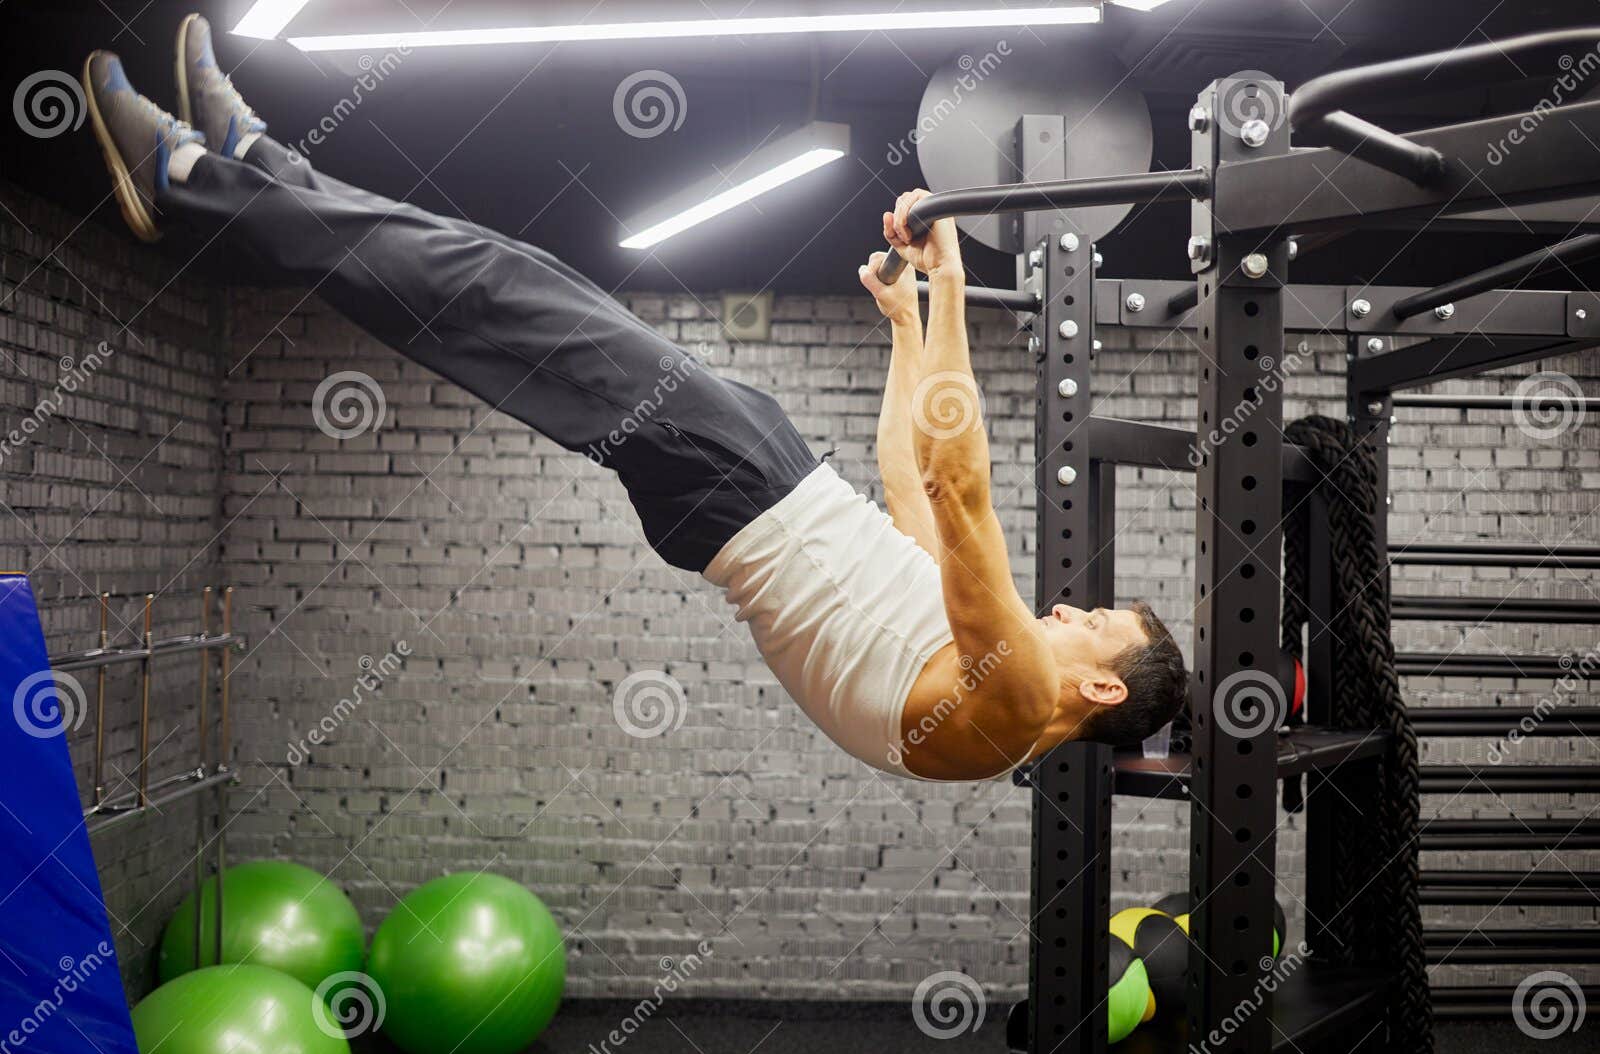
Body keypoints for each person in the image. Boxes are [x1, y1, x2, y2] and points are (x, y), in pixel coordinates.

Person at [80, 15, 1187, 783]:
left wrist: (948, 283)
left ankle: (196, 182)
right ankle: (252, 165)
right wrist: (906, 332)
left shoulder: (999, 707)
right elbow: (907, 478)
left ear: (1095, 687)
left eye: (1090, 622)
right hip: (758, 474)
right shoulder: (981, 673)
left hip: (739, 484)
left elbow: (958, 482)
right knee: (495, 285)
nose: (1065, 609)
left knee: (482, 293)